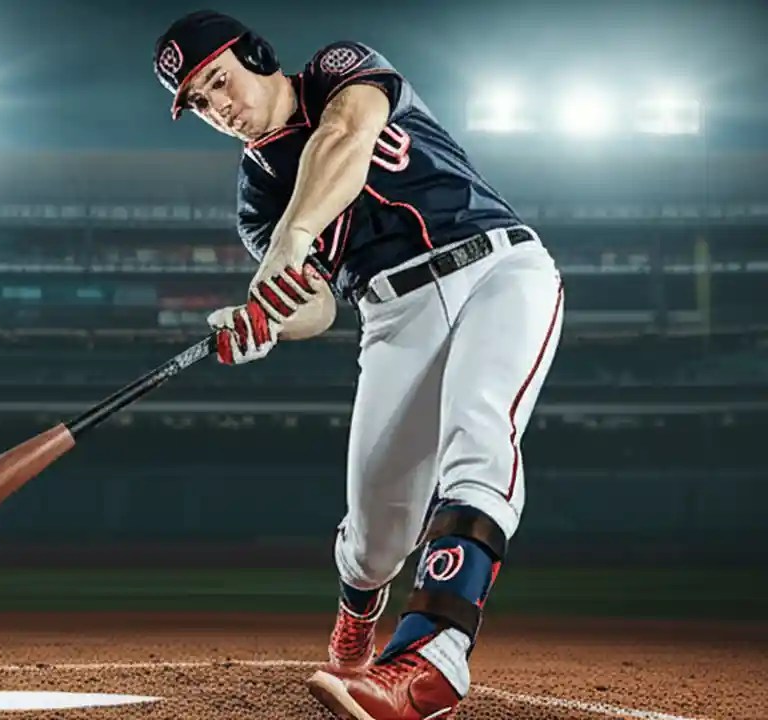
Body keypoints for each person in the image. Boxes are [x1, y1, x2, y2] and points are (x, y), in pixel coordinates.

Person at [153, 10, 565, 720]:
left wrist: (295, 237)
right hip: (391, 315)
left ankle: (430, 661)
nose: (217, 108)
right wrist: (268, 320)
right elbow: (315, 303)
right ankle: (356, 627)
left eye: (219, 80)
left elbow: (347, 135)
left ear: (257, 54)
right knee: (374, 537)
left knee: (479, 435)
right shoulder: (256, 196)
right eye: (197, 102)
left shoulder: (339, 70)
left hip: (497, 268)